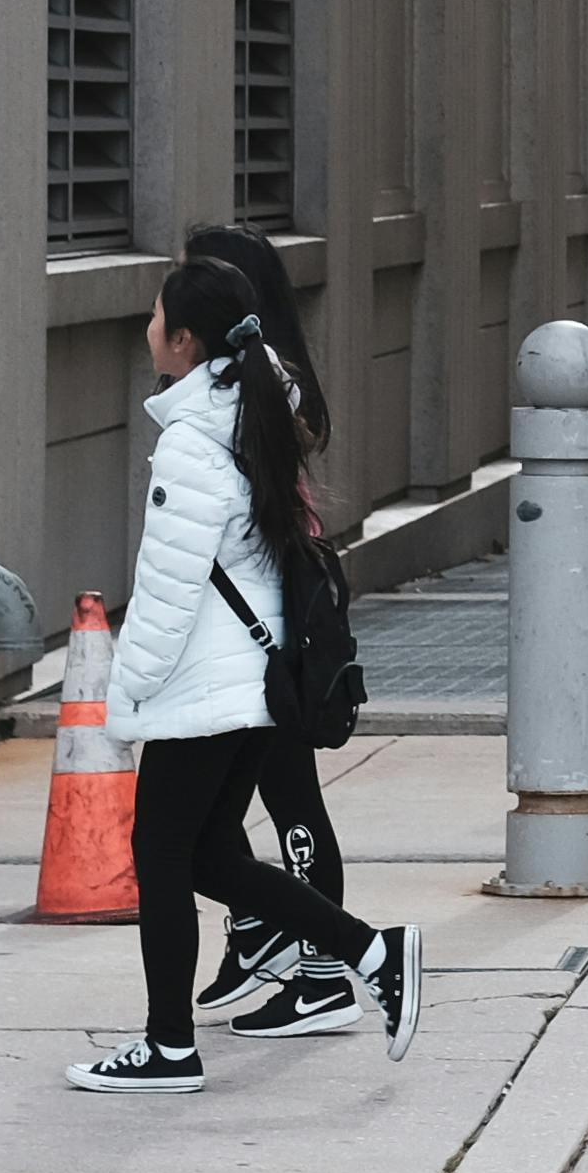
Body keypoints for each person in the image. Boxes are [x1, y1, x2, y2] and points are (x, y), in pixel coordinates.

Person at [73, 259, 421, 1093]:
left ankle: (169, 1046)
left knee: (161, 853)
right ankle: (373, 953)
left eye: (156, 316)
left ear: (184, 340)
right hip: (249, 685)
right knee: (204, 860)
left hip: (205, 692)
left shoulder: (193, 441)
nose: (148, 326)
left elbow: (165, 590)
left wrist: (127, 698)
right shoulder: (248, 413)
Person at [178, 222, 355, 1032]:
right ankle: (259, 932)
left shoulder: (258, 390)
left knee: (288, 797)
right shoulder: (263, 382)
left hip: (270, 626)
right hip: (261, 620)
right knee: (228, 803)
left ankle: (326, 972)